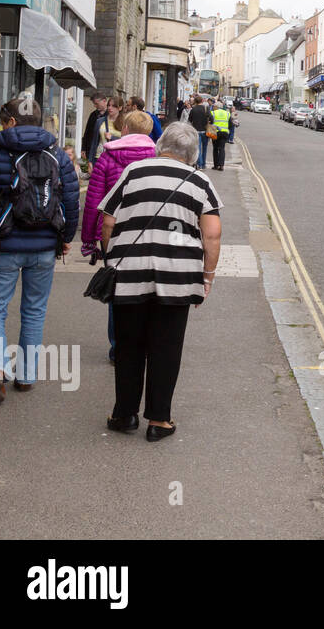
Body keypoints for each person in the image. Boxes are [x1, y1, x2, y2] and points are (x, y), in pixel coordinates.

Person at [99, 123, 221, 440]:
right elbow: (212, 235)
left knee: (129, 346)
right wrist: (206, 277)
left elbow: (108, 222)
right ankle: (158, 421)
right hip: (177, 277)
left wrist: (112, 260)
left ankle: (124, 415)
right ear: (193, 153)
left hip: (130, 274)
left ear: (160, 144)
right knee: (166, 347)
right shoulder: (200, 181)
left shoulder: (134, 172)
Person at [0, 98, 79, 403]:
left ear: (9, 122)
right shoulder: (57, 153)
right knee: (34, 310)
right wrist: (66, 236)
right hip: (45, 242)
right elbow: (71, 201)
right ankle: (26, 376)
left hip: (5, 242)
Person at [82, 111, 157, 364]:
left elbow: (94, 200)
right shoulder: (156, 157)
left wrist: (88, 240)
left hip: (113, 235)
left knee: (116, 291)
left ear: (124, 129)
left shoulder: (107, 156)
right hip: (148, 234)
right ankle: (144, 346)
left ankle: (118, 349)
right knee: (147, 291)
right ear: (148, 132)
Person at [81, 92, 108, 171]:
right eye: (94, 104)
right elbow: (87, 132)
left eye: (96, 103)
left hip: (104, 150)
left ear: (104, 101)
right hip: (92, 150)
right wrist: (83, 148)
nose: (95, 106)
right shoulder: (93, 114)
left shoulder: (109, 115)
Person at [187, 96, 211, 169]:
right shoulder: (206, 109)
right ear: (202, 101)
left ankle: (199, 164)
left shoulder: (193, 109)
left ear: (195, 101)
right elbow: (211, 119)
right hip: (205, 131)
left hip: (196, 131)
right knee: (204, 148)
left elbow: (190, 120)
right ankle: (203, 164)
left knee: (198, 149)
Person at [211, 100, 231, 170]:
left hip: (215, 132)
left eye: (214, 106)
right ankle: (221, 166)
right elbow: (230, 123)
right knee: (222, 148)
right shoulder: (227, 113)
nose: (213, 107)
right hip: (224, 132)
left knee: (215, 149)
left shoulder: (213, 113)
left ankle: (216, 165)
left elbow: (210, 122)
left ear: (217, 107)